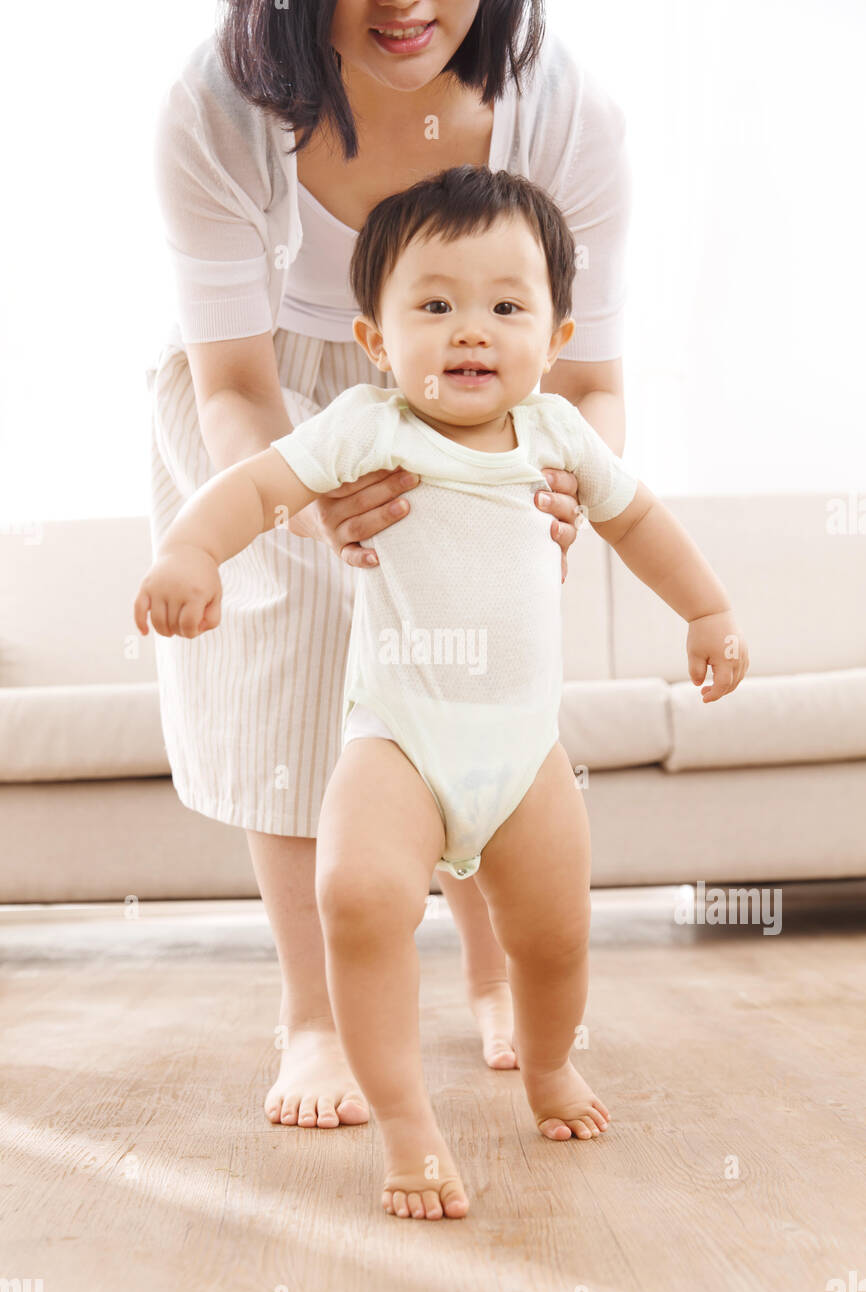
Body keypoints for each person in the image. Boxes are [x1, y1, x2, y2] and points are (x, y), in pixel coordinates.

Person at [135, 163, 749, 1218]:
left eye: (506, 306)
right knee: (356, 897)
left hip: (522, 755)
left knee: (553, 935)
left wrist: (705, 612)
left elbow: (638, 521)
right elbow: (257, 485)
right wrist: (194, 553)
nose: (471, 330)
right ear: (375, 337)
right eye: (433, 305)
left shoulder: (558, 437)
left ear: (556, 337)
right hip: (398, 744)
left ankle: (550, 1064)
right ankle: (408, 1124)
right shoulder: (367, 428)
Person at [147, 0, 635, 1127]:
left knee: (464, 677)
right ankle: (313, 1015)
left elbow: (587, 372)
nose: (406, 5)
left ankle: (491, 973)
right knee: (290, 675)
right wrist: (302, 509)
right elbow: (229, 385)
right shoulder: (214, 109)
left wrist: (559, 493)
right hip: (274, 395)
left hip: (481, 395)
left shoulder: (561, 109)